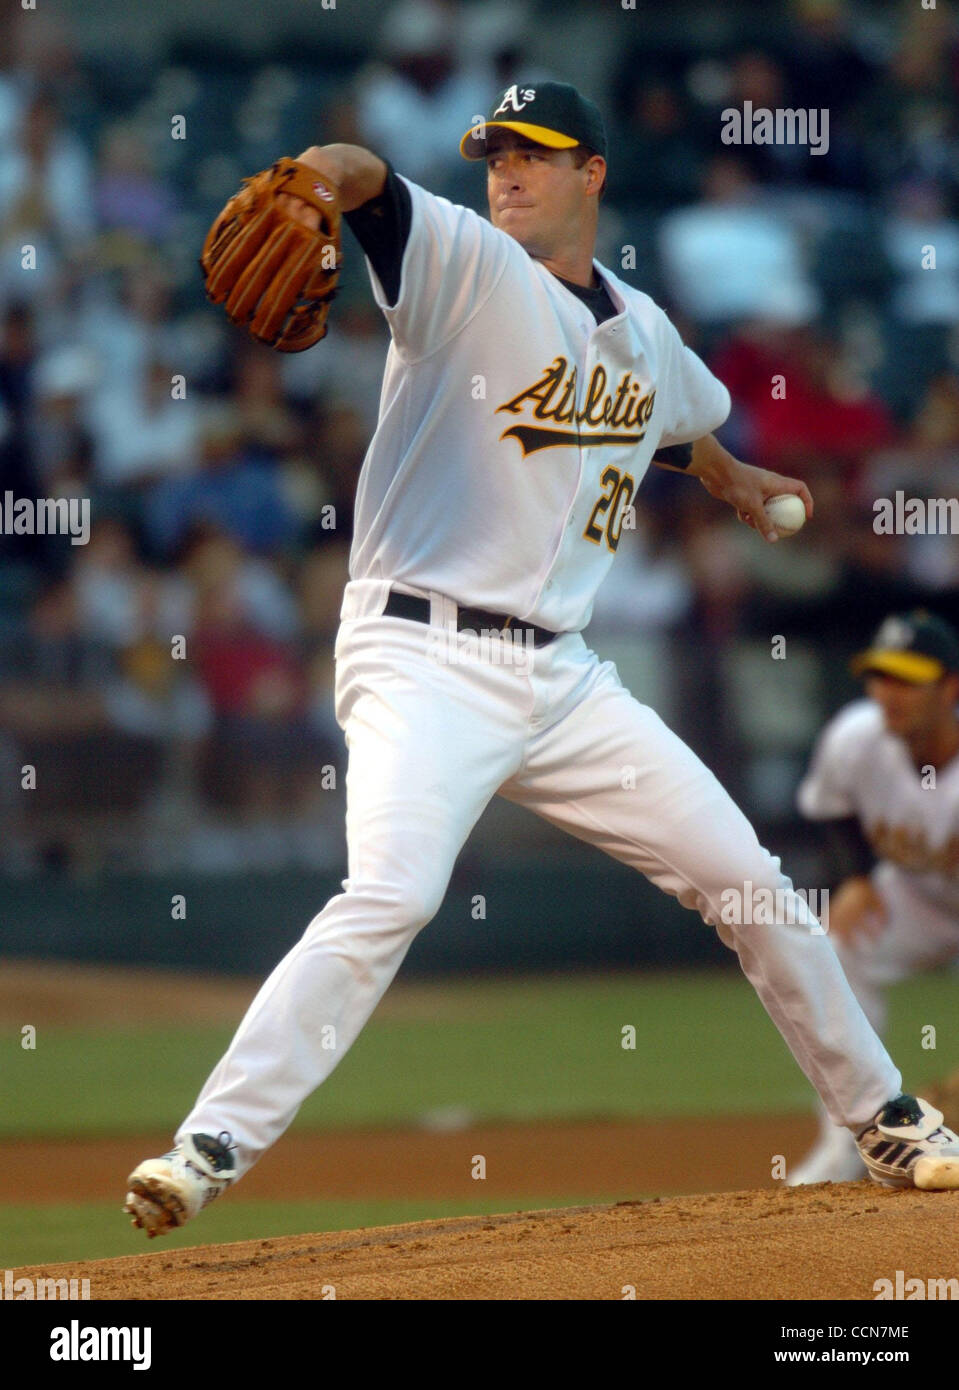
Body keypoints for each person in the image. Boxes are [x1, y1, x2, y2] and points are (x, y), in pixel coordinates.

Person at [124, 83, 959, 1237]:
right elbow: (360, 172)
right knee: (393, 892)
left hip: (564, 681)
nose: (506, 171)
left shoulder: (645, 328)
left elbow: (671, 419)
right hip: (420, 656)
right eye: (494, 153)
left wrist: (735, 479)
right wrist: (314, 181)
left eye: (534, 154)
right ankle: (207, 1145)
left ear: (593, 174)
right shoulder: (468, 263)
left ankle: (885, 1119)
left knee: (752, 884)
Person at [789, 611, 959, 1184]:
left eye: (908, 679)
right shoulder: (856, 737)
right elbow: (830, 809)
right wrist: (855, 877)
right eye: (880, 677)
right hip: (915, 901)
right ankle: (851, 1144)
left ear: (951, 688)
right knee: (833, 942)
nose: (889, 693)